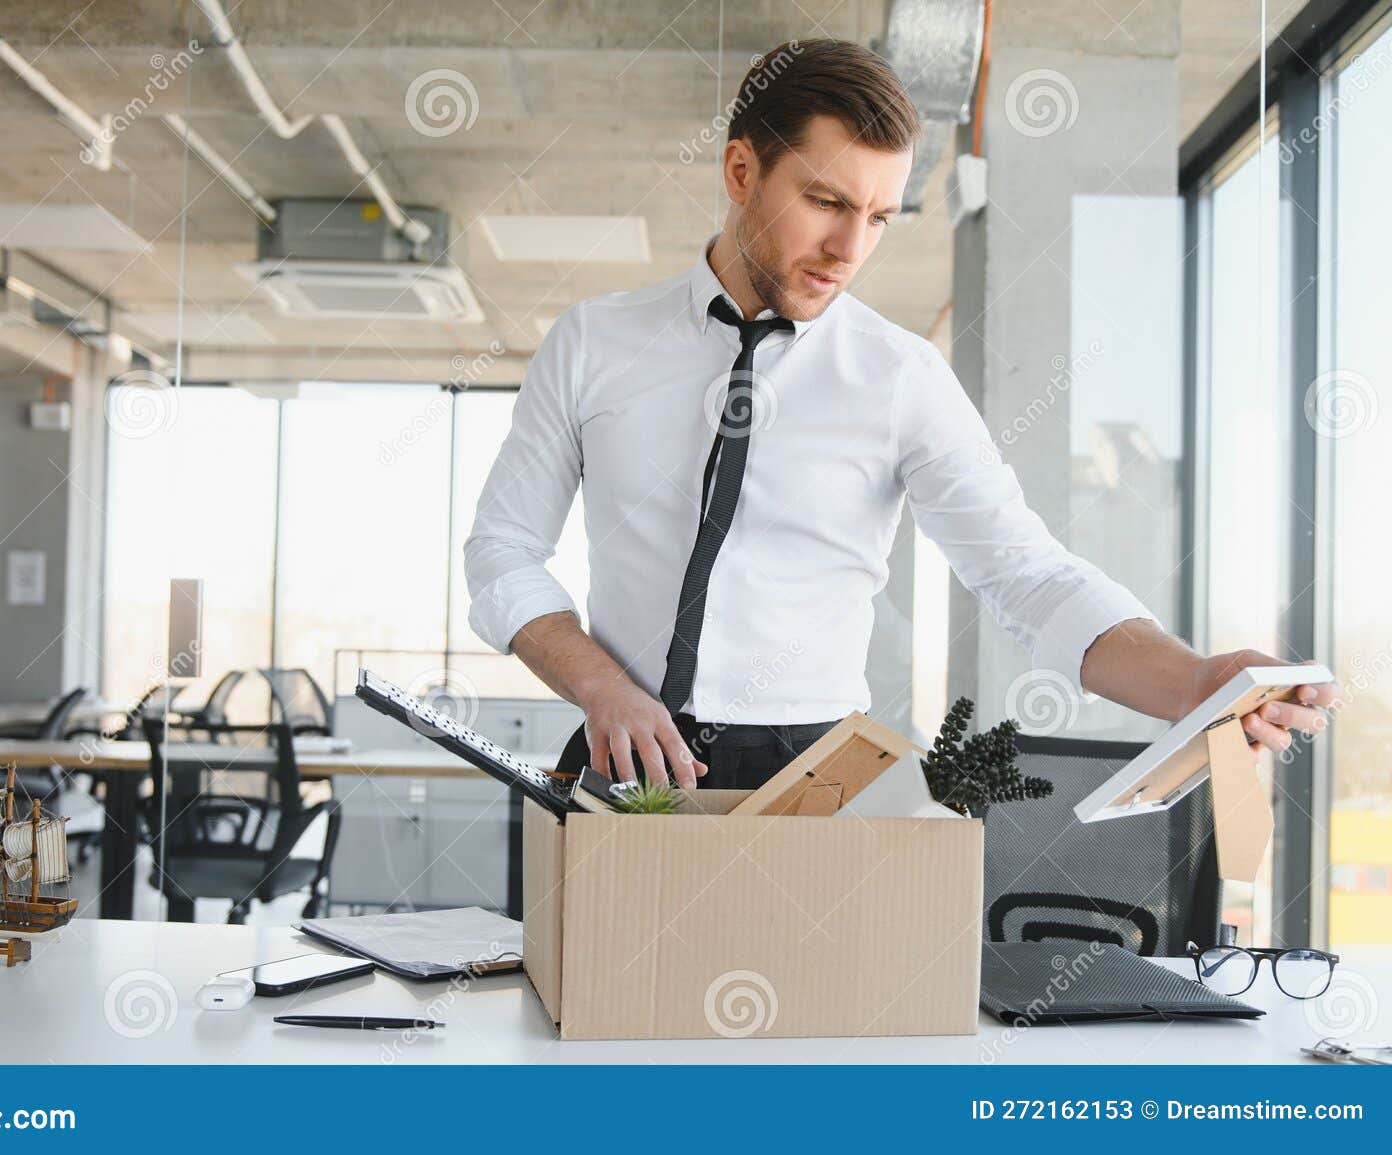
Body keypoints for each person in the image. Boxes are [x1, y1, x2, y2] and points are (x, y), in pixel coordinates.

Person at [463, 38, 1339, 791]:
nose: (850, 251)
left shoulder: (900, 376)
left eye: (879, 216)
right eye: (828, 203)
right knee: (593, 991)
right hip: (620, 753)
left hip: (816, 773)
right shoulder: (594, 342)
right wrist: (600, 686)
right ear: (740, 169)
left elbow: (1026, 575)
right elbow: (503, 549)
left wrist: (1195, 681)